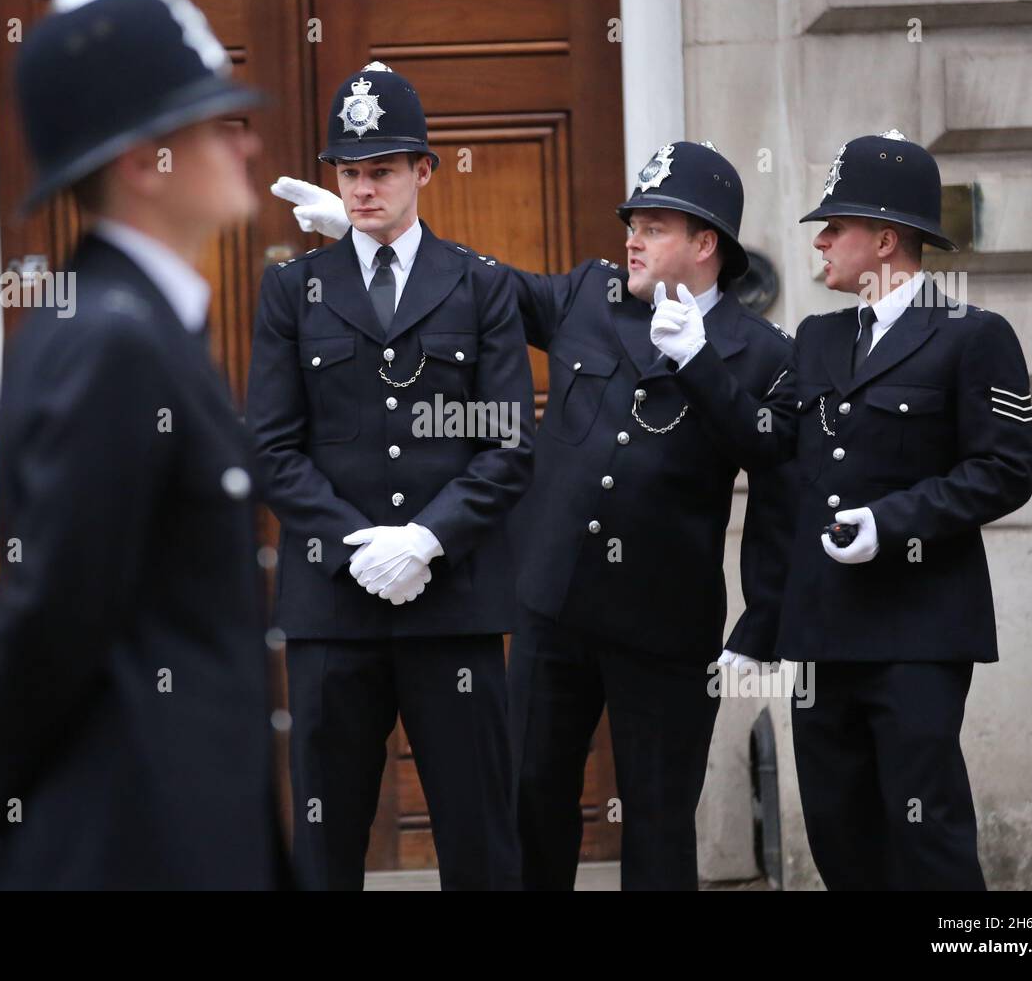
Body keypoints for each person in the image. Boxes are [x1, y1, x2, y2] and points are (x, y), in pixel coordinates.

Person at [272, 139, 796, 890]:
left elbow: (776, 475)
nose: (632, 239)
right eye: (632, 223)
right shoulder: (591, 293)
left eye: (652, 226)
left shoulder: (763, 353)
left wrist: (758, 628)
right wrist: (368, 235)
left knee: (657, 823)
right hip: (553, 604)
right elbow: (487, 285)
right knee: (527, 801)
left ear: (704, 242)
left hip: (665, 623)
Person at [0, 0, 285, 889]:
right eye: (215, 123)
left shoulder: (135, 322)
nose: (244, 143)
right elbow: (55, 595)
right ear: (142, 161)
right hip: (131, 845)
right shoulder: (114, 340)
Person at [656, 130, 1032, 889]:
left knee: (926, 834)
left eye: (836, 227)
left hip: (918, 633)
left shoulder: (975, 338)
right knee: (840, 835)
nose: (821, 241)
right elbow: (777, 462)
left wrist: (890, 523)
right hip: (824, 634)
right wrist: (698, 361)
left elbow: (1003, 471)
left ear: (887, 239)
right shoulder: (822, 339)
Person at [247, 63, 534, 890]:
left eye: (381, 170)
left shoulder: (479, 286)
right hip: (332, 608)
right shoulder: (292, 292)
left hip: (454, 603)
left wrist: (426, 539)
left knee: (478, 838)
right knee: (327, 842)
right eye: (351, 172)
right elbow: (272, 447)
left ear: (423, 172)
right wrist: (355, 545)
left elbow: (508, 442)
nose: (363, 188)